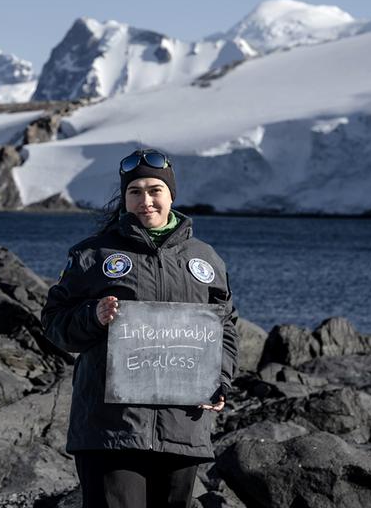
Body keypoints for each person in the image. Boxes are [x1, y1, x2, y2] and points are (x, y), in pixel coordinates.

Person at [41, 148, 239, 508]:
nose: (145, 201)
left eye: (154, 190)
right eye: (135, 192)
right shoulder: (93, 255)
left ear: (171, 195)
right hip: (109, 429)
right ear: (124, 198)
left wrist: (219, 380)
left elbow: (225, 328)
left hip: (182, 427)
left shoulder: (205, 259)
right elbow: (54, 323)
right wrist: (93, 316)